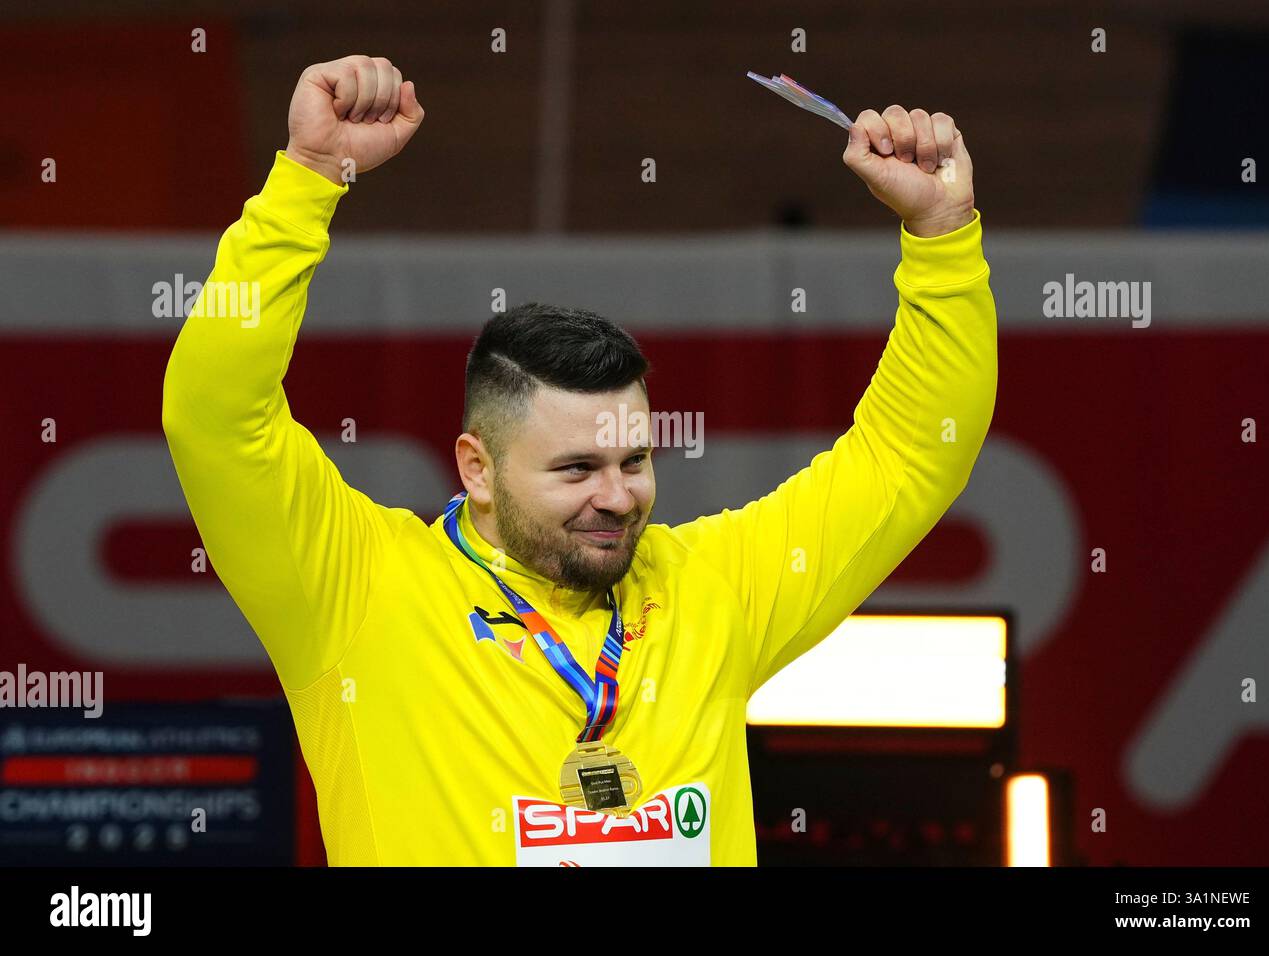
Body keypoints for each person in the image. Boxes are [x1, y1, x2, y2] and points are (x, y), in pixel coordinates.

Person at [162, 54, 997, 866]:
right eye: (574, 470)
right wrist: (307, 178)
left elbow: (912, 454)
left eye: (634, 460)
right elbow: (215, 417)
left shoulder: (710, 591)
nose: (618, 496)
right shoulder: (354, 592)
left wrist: (941, 238)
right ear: (476, 468)